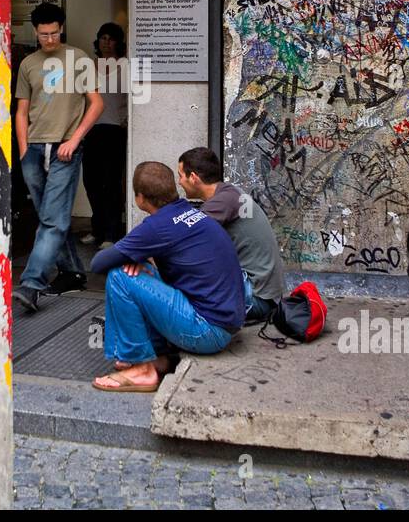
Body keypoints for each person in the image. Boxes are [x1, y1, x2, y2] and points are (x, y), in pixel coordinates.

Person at [89, 161, 244, 392]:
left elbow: (97, 263)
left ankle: (142, 368)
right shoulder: (189, 212)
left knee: (120, 276)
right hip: (226, 323)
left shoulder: (156, 226)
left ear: (140, 198)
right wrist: (139, 258)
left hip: (207, 331)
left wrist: (133, 256)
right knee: (145, 271)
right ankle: (159, 358)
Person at [13, 2, 104, 312]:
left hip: (65, 147)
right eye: (43, 35)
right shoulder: (28, 64)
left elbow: (96, 103)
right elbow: (21, 111)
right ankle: (73, 271)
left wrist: (75, 139)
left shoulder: (78, 58)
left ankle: (32, 283)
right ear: (35, 32)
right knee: (50, 217)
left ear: (61, 28)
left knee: (52, 219)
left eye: (53, 33)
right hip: (34, 148)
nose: (49, 40)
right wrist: (24, 150)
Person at [176, 147, 288, 323]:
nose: (179, 182)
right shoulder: (229, 193)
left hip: (258, 299)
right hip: (267, 295)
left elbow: (183, 240)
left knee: (177, 287)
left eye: (181, 175)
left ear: (194, 178)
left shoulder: (223, 201)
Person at [80, 22, 128, 248]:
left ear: (118, 42)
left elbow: (134, 97)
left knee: (111, 182)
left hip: (115, 130)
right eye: (103, 38)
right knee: (91, 181)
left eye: (111, 38)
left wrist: (127, 119)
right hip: (91, 129)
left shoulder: (125, 66)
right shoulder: (89, 66)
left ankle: (111, 233)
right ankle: (97, 229)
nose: (106, 42)